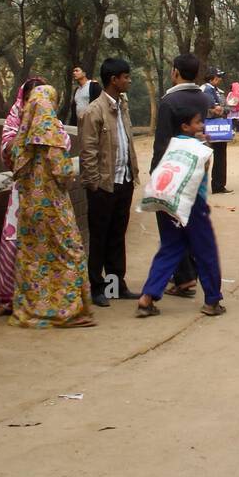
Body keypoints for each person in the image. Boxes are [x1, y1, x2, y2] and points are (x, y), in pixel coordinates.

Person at [8, 85, 95, 328]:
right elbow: (63, 172)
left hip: (29, 207)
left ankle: (35, 308)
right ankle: (68, 310)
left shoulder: (22, 139)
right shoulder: (51, 134)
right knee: (68, 250)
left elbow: (14, 163)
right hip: (54, 204)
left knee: (33, 256)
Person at [136, 99, 226, 319]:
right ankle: (212, 301)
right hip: (193, 206)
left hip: (167, 204)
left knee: (169, 249)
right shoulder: (201, 150)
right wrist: (205, 147)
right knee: (206, 252)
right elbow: (202, 174)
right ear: (185, 127)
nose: (202, 126)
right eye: (197, 123)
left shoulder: (173, 145)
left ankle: (147, 298)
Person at [79, 57, 140, 306]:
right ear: (114, 80)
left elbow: (126, 141)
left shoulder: (122, 106)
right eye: (125, 77)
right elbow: (88, 151)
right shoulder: (94, 110)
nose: (128, 80)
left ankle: (116, 285)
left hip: (123, 181)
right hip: (103, 186)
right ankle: (97, 287)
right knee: (100, 237)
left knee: (117, 235)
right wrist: (94, 184)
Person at [151, 54, 210, 299]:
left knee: (171, 222)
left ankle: (184, 278)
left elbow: (162, 141)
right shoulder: (204, 99)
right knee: (190, 218)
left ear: (176, 72)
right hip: (197, 166)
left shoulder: (169, 101)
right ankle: (190, 274)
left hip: (172, 170)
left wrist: (155, 172)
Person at [0, 76, 47, 317]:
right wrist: (26, 136)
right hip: (22, 192)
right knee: (12, 244)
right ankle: (8, 300)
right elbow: (8, 151)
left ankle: (42, 302)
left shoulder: (51, 122)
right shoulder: (14, 123)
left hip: (46, 194)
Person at [201, 68, 231, 194]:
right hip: (206, 127)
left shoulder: (220, 92)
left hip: (219, 127)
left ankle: (219, 185)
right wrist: (212, 110)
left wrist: (222, 110)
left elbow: (227, 107)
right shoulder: (202, 91)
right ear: (211, 77)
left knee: (221, 156)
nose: (219, 79)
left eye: (220, 77)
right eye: (217, 77)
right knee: (203, 157)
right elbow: (200, 109)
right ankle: (198, 187)